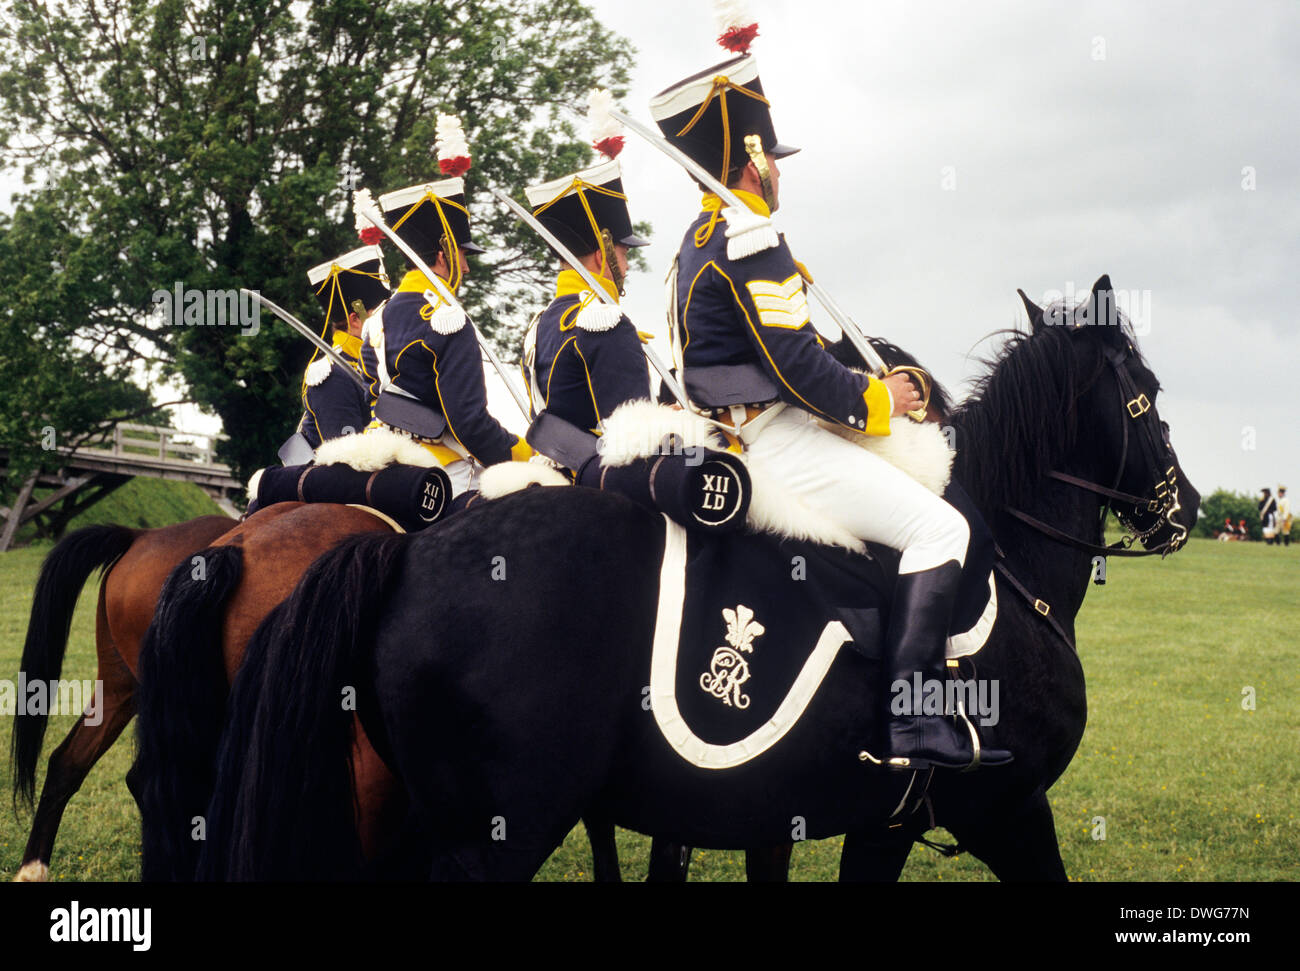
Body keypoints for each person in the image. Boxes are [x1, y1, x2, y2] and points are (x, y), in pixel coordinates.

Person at [648, 48, 1009, 772]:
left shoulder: (698, 239)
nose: (780, 169)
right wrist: (884, 400)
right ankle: (912, 722)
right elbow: (800, 370)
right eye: (773, 156)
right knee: (939, 527)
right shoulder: (751, 236)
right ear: (752, 157)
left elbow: (790, 347)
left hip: (742, 434)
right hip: (778, 442)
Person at [359, 117, 532, 497]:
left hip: (386, 463)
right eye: (462, 256)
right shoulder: (448, 321)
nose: (467, 267)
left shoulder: (376, 321)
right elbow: (469, 423)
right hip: (442, 471)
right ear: (443, 255)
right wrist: (525, 456)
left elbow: (378, 398)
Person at [519, 157, 652, 467]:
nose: (627, 266)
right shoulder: (605, 324)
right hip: (601, 479)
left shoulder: (541, 325)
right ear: (601, 254)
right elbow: (635, 440)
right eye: (623, 253)